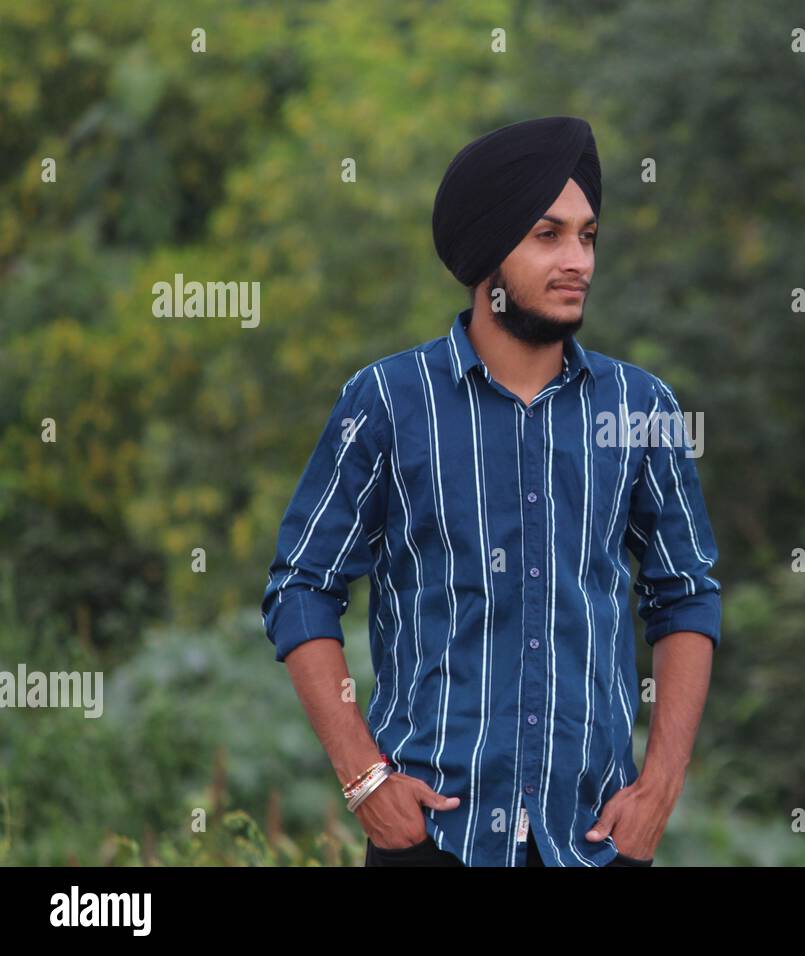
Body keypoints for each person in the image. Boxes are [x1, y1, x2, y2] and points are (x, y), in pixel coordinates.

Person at [260, 116, 722, 867]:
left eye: (588, 236)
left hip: (595, 840)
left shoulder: (642, 411)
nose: (578, 260)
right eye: (548, 235)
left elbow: (686, 594)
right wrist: (363, 777)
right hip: (433, 836)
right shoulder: (388, 402)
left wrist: (662, 784)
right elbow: (301, 585)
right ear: (487, 257)